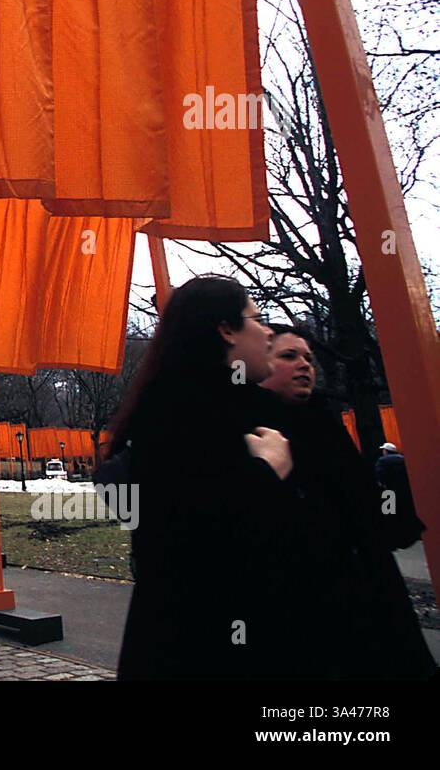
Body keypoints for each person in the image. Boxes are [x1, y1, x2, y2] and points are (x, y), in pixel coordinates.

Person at [99, 275, 299, 680]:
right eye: (256, 319)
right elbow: (201, 538)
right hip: (204, 651)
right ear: (226, 330)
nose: (267, 332)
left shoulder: (195, 405)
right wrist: (267, 472)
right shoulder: (190, 415)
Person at [260, 325, 434, 679]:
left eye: (308, 357)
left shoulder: (323, 422)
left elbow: (365, 506)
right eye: (289, 356)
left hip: (373, 597)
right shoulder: (250, 431)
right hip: (310, 613)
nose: (305, 365)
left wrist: (395, 515)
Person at [374, 444, 426, 550]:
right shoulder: (403, 459)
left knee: (389, 514)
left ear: (386, 451)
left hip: (389, 493)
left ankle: (393, 539)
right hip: (405, 491)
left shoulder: (382, 461)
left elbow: (380, 476)